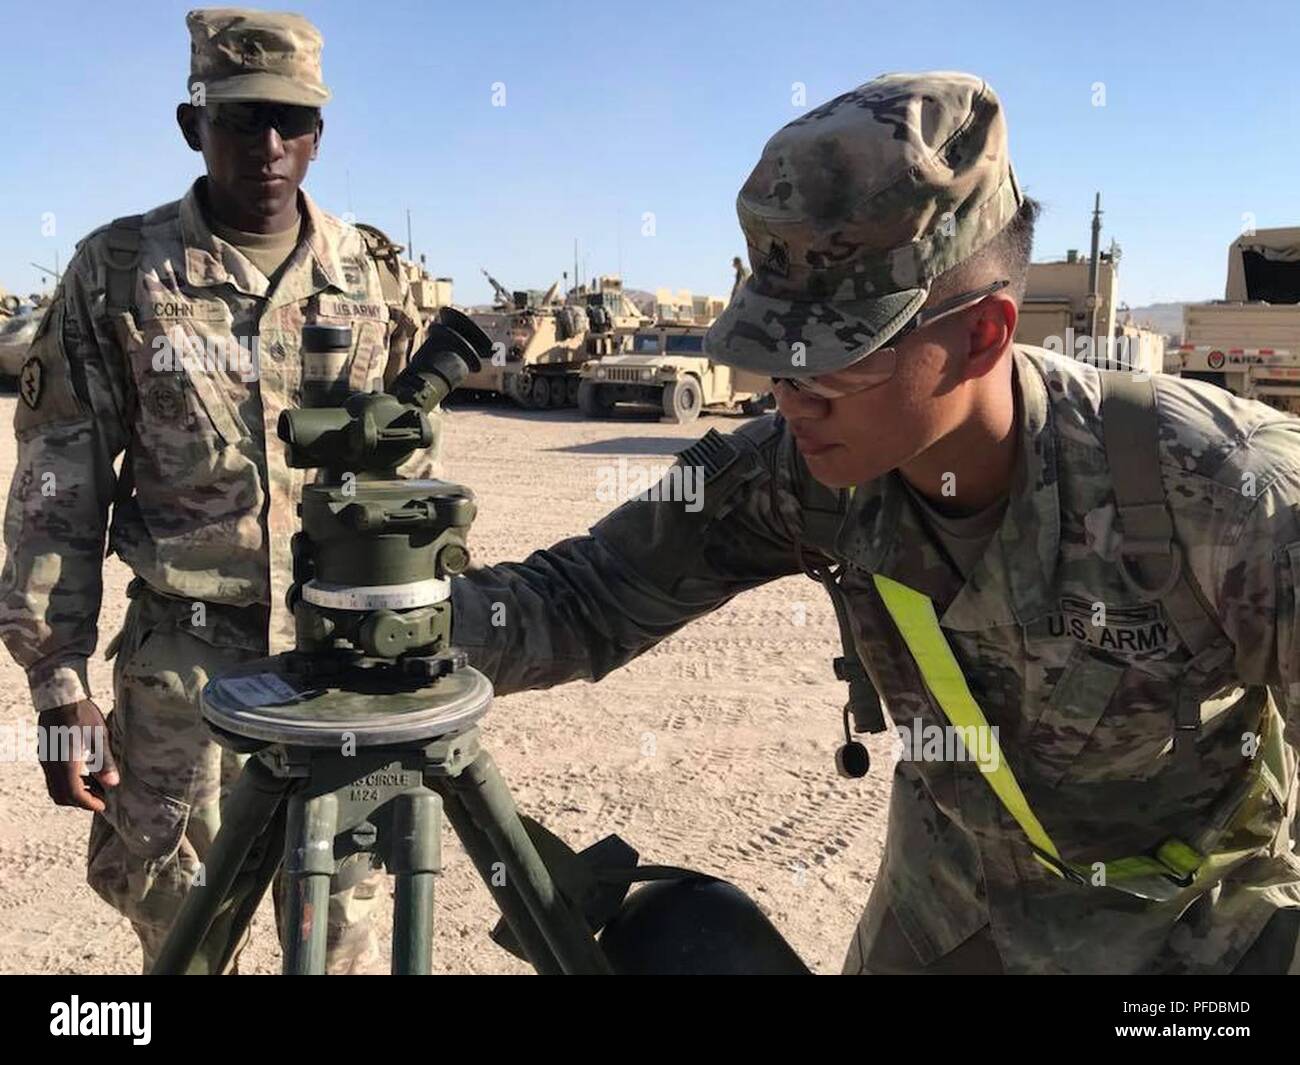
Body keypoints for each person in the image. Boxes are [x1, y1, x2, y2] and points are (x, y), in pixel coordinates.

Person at [448, 71, 1300, 974]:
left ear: (982, 336)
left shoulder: (1223, 493)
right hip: (953, 914)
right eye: (773, 356)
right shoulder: (798, 469)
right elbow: (590, 594)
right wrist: (396, 622)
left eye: (832, 361)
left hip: (1185, 939)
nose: (788, 395)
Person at [0, 7, 434, 974]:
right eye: (240, 119)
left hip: (346, 667)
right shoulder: (123, 274)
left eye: (290, 119)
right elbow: (54, 490)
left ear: (320, 132)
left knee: (343, 927)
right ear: (194, 124)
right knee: (185, 936)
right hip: (188, 686)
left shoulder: (378, 278)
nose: (268, 145)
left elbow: (413, 476)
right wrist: (58, 686)